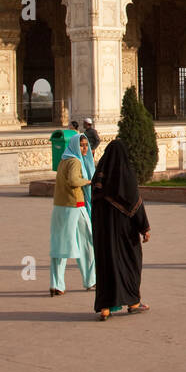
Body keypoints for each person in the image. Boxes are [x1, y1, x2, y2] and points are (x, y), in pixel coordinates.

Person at [90, 139, 152, 320]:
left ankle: (105, 308)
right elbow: (135, 204)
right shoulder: (125, 176)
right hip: (125, 232)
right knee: (131, 263)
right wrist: (144, 227)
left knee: (106, 266)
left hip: (103, 233)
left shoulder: (98, 178)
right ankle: (133, 302)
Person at [49, 131, 96, 297]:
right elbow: (74, 181)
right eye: (82, 145)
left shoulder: (63, 160)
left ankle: (57, 284)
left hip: (60, 207)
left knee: (59, 246)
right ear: (76, 146)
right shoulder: (75, 161)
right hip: (76, 206)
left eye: (86, 145)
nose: (84, 149)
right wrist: (90, 181)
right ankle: (91, 280)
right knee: (87, 243)